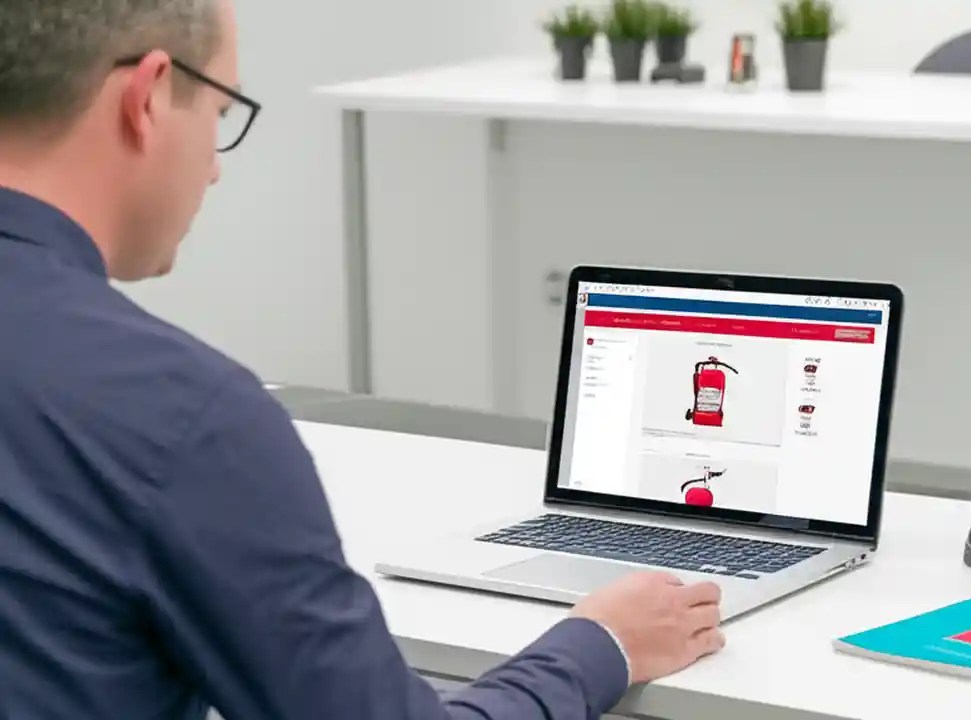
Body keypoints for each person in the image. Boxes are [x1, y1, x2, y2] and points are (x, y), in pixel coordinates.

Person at [0, 2, 725, 718]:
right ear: (150, 96)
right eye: (221, 117)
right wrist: (600, 643)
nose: (215, 171)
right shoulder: (181, 416)